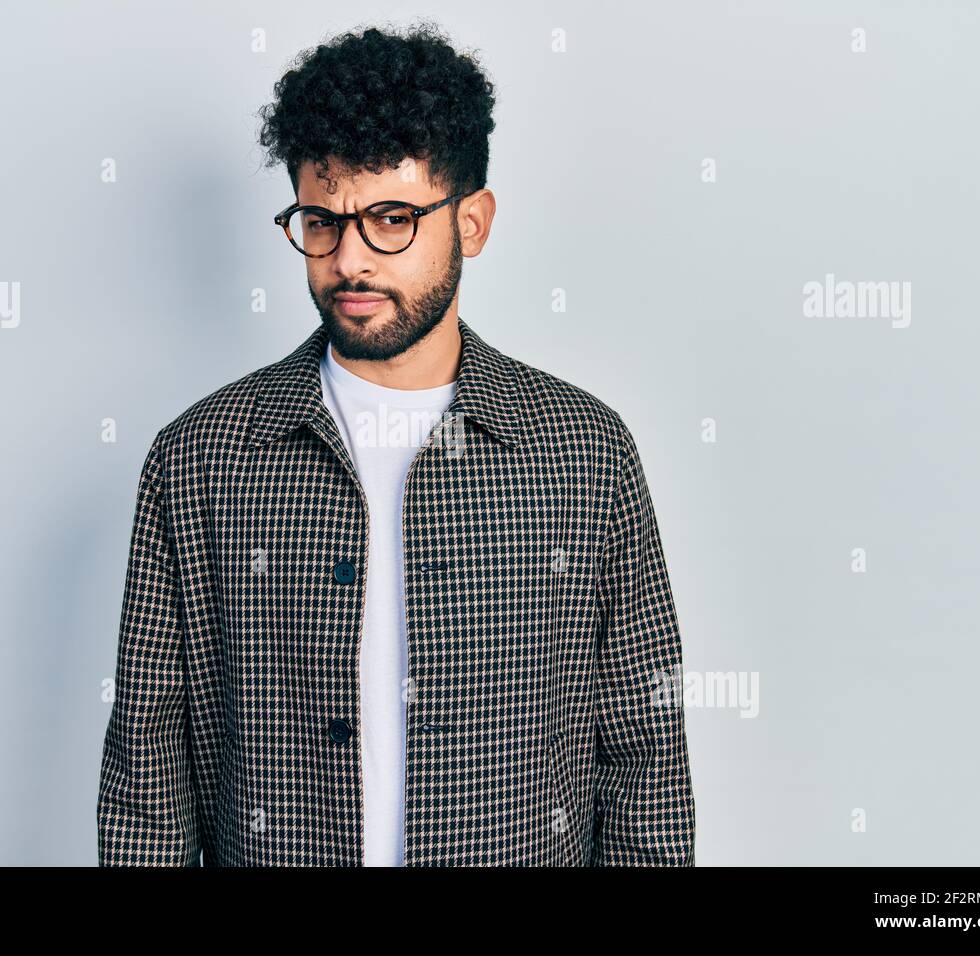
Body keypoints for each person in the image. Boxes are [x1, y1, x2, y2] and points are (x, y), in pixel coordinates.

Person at [97, 21, 695, 867]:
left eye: (390, 219)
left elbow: (645, 761)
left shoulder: (584, 452)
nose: (349, 261)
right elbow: (146, 779)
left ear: (474, 221)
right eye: (320, 221)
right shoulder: (199, 460)